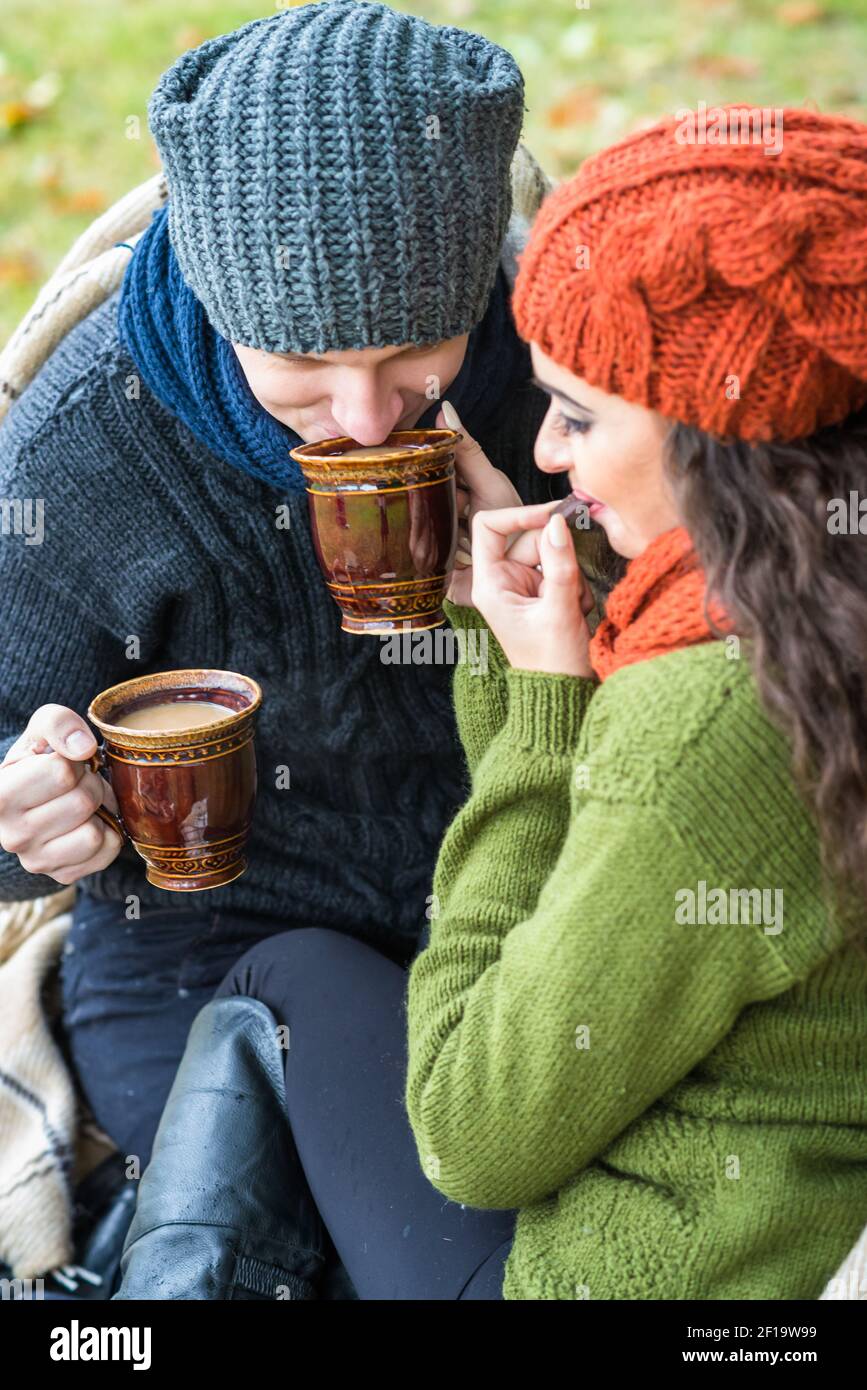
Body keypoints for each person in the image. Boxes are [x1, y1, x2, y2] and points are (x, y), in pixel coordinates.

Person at [114, 103, 867, 1301]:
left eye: (579, 414)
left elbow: (471, 1135)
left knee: (287, 980)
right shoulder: (824, 603)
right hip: (801, 1202)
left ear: (729, 442)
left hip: (649, 1274)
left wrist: (547, 706)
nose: (553, 457)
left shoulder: (709, 716)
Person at [0, 0, 579, 1191]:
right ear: (222, 306)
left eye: (419, 348)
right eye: (305, 365)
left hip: (521, 903)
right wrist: (24, 814)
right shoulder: (88, 447)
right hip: (203, 950)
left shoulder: (560, 383)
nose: (370, 419)